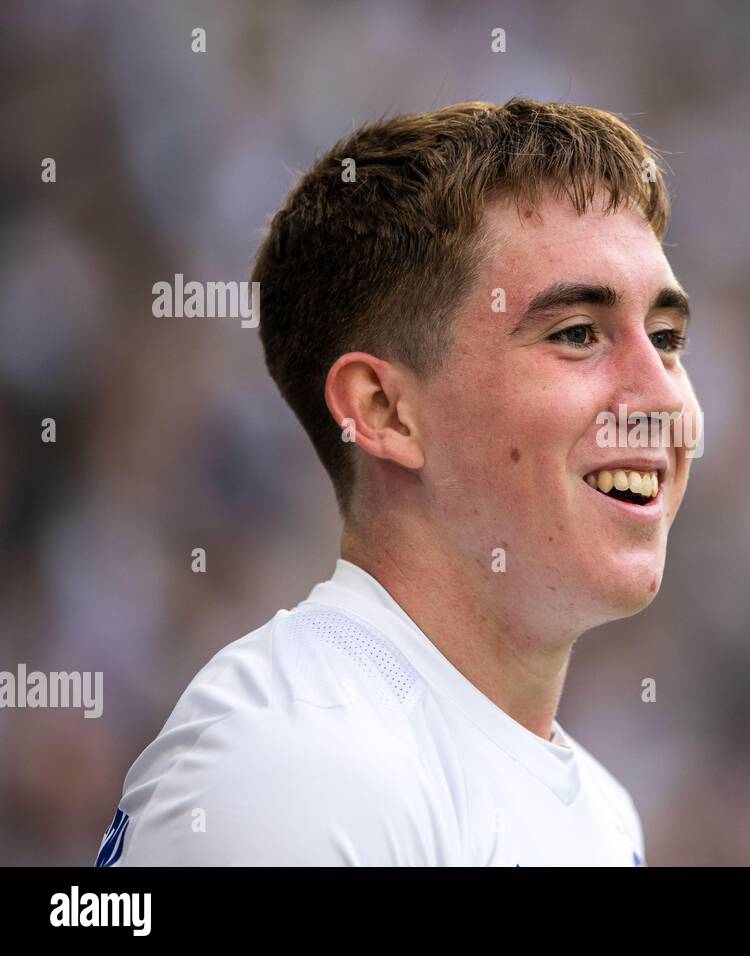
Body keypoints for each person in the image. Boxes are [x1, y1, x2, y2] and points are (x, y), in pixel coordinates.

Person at [96, 98, 702, 866]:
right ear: (383, 412)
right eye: (577, 334)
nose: (664, 398)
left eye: (667, 338)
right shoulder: (290, 768)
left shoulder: (604, 816)